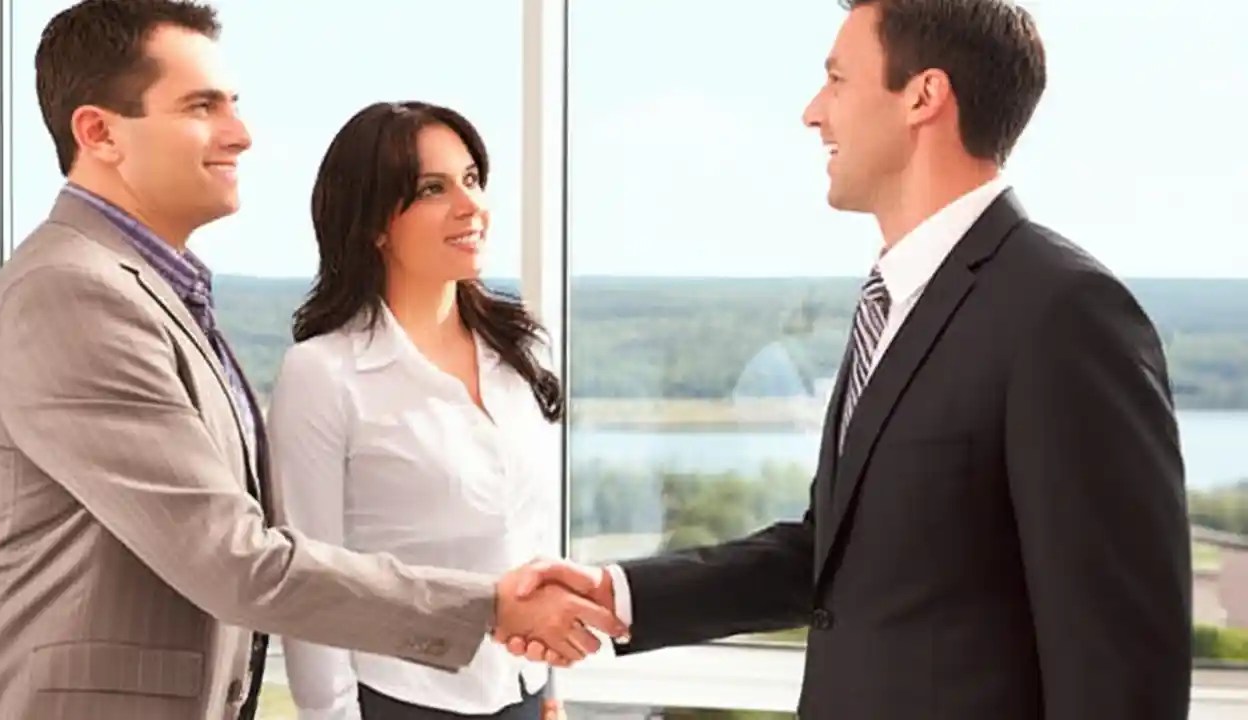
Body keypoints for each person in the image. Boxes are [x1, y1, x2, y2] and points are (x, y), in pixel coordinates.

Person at [506, 1, 1192, 718]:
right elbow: (833, 556)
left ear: (923, 97)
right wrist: (616, 595)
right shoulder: (893, 301)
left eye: (836, 80)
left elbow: (1122, 669)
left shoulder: (1064, 312)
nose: (813, 112)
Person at [0, 3, 622, 720]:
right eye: (201, 107)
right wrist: (489, 607)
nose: (241, 134)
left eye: (234, 105)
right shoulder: (72, 295)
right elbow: (233, 559)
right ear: (99, 133)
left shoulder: (150, 289)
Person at [267, 101, 568, 720]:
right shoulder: (323, 375)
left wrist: (551, 690)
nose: (469, 206)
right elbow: (310, 583)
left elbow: (531, 539)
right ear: (375, 222)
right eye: (433, 189)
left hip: (522, 692)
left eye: (472, 179)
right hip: (401, 701)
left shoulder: (519, 350)